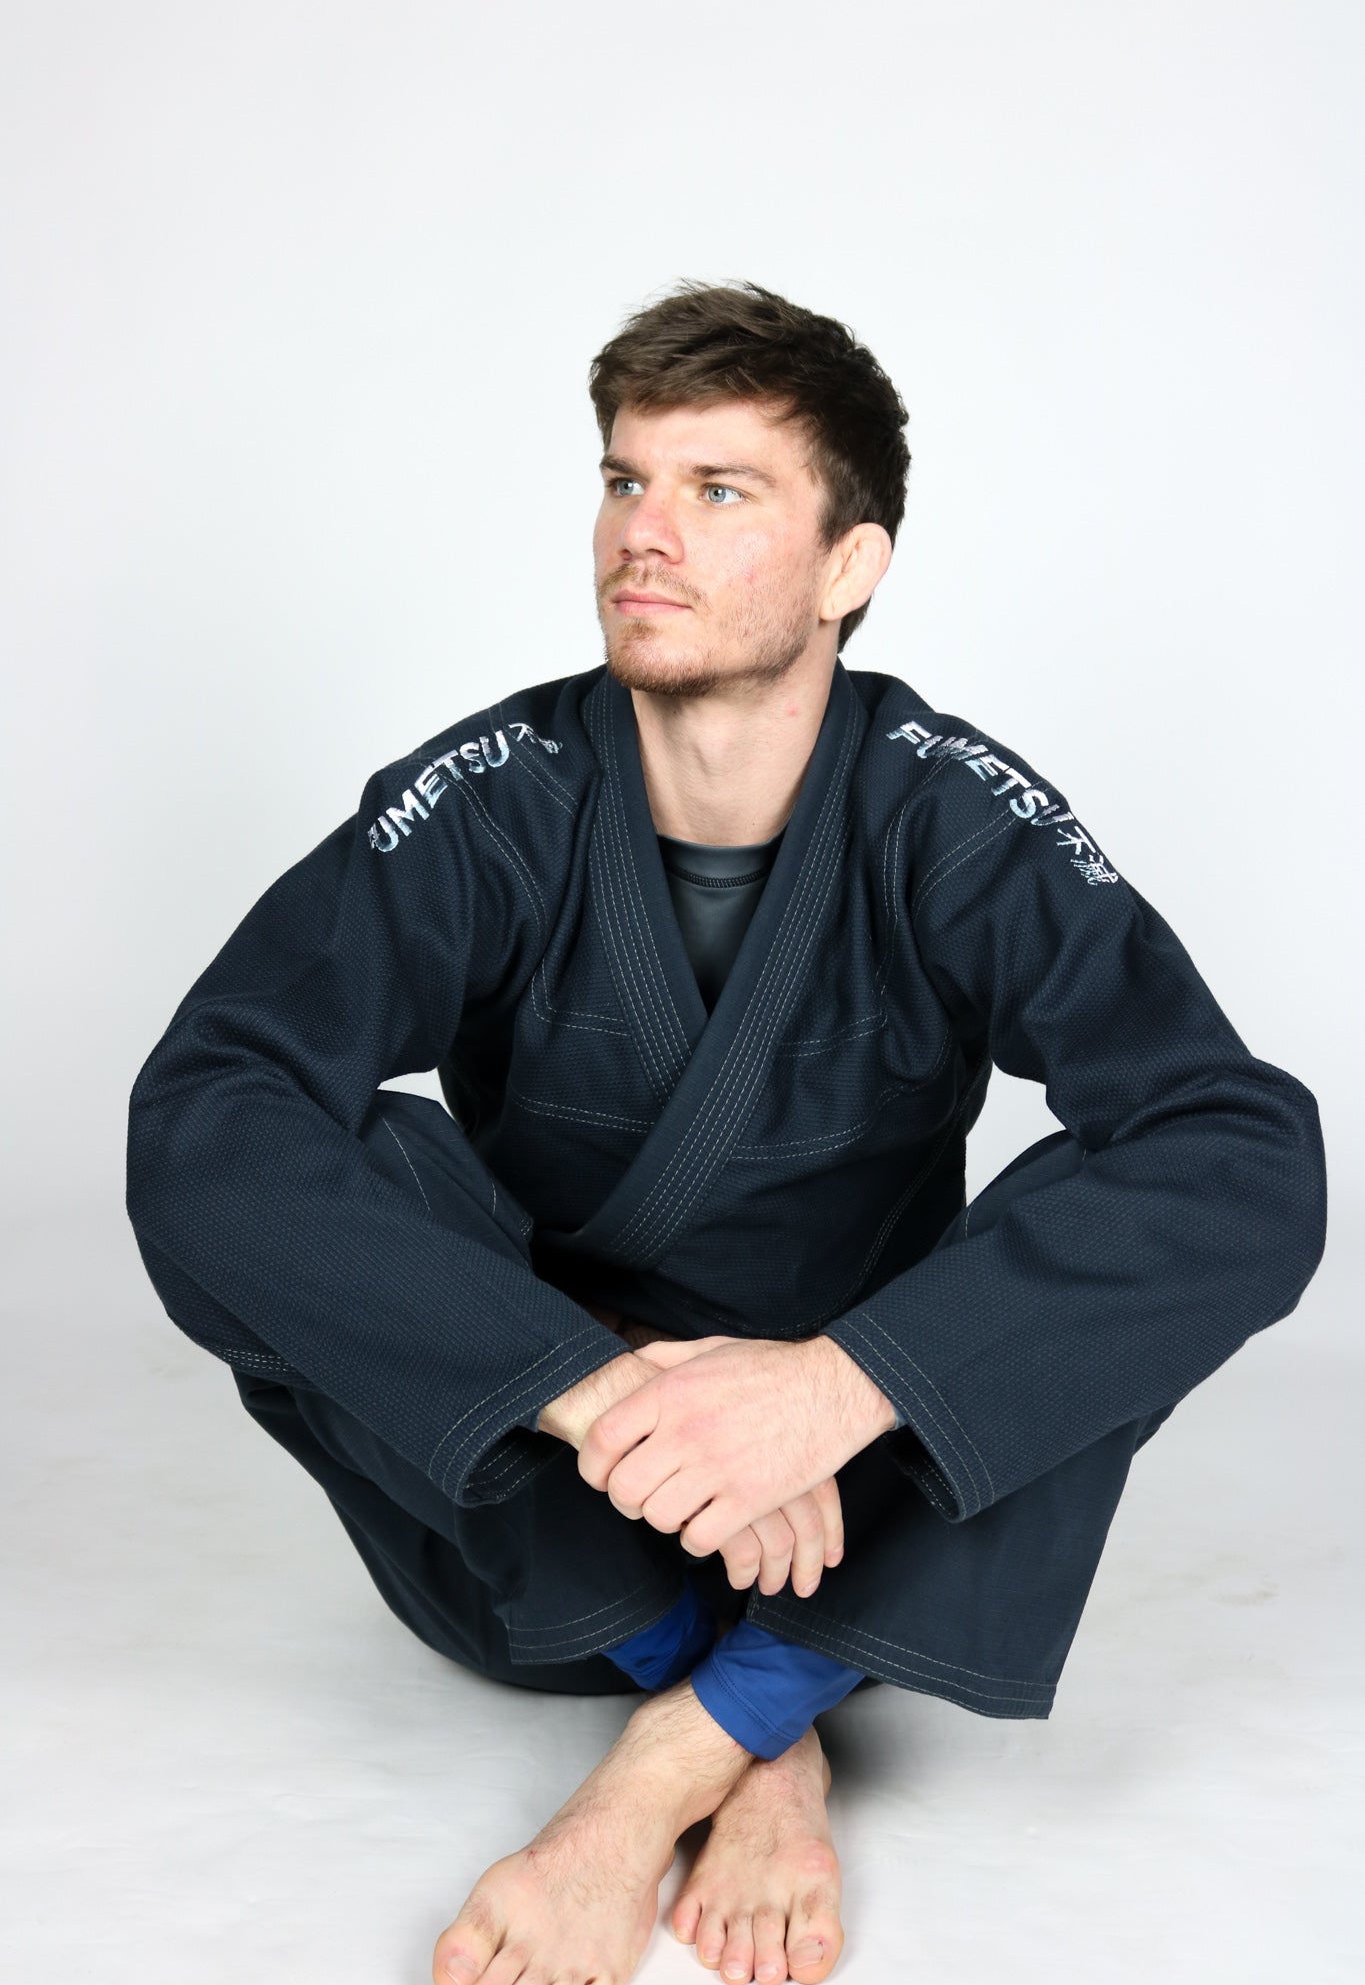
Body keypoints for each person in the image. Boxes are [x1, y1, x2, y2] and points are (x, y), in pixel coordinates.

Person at [125, 280, 1327, 1985]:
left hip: (857, 1496)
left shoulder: (941, 812)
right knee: (292, 1156)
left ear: (849, 565)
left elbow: (1241, 1153)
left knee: (1128, 1199)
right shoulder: (493, 798)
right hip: (544, 1499)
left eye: (718, 490)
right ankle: (764, 1722)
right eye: (625, 480)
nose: (645, 532)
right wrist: (610, 1396)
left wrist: (830, 1393)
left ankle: (672, 1763)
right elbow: (207, 1111)